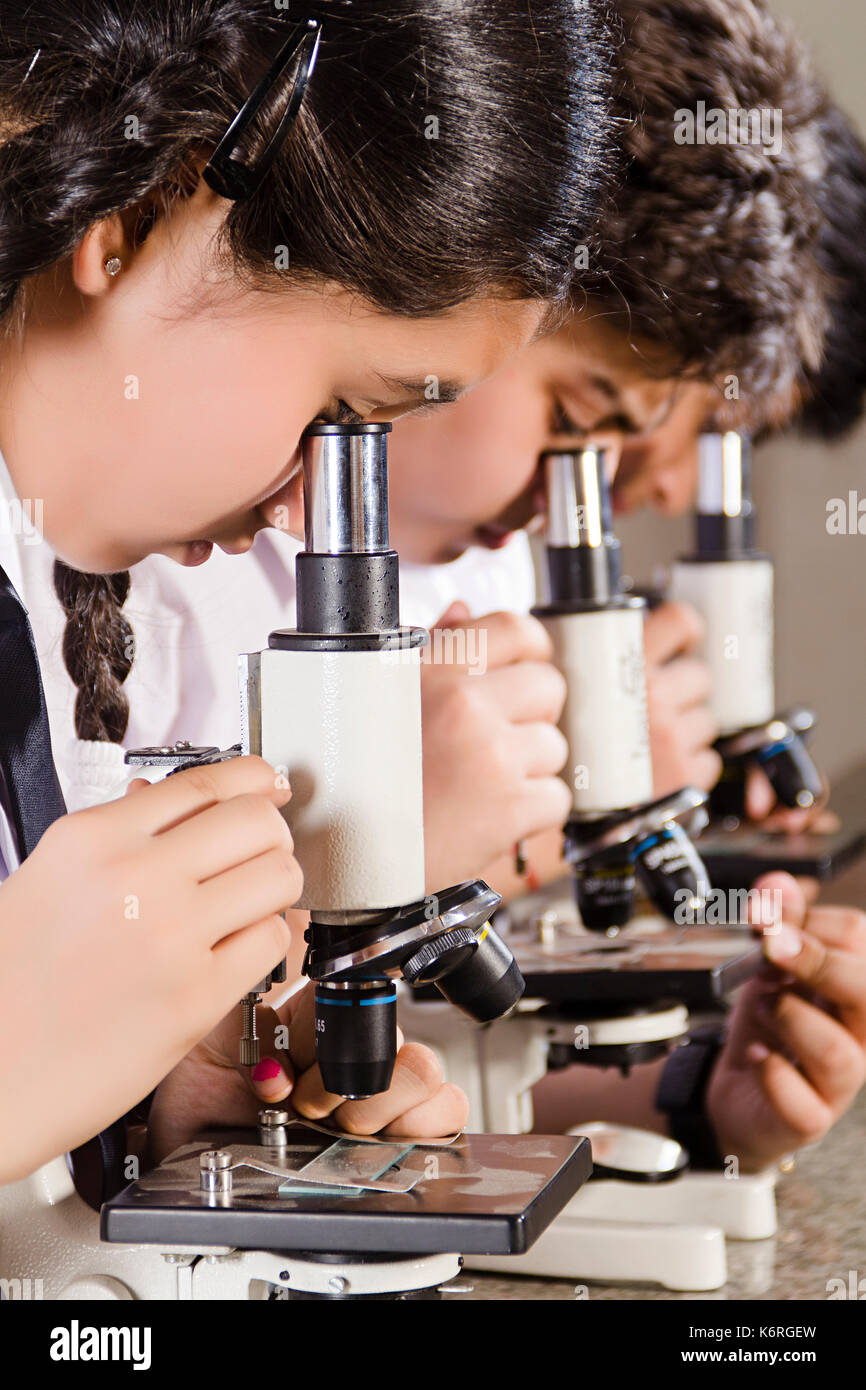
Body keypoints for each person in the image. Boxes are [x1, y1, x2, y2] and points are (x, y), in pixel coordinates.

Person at [0, 0, 615, 1183]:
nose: (300, 518)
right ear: (131, 218)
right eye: (339, 420)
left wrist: (137, 1104)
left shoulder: (44, 596)